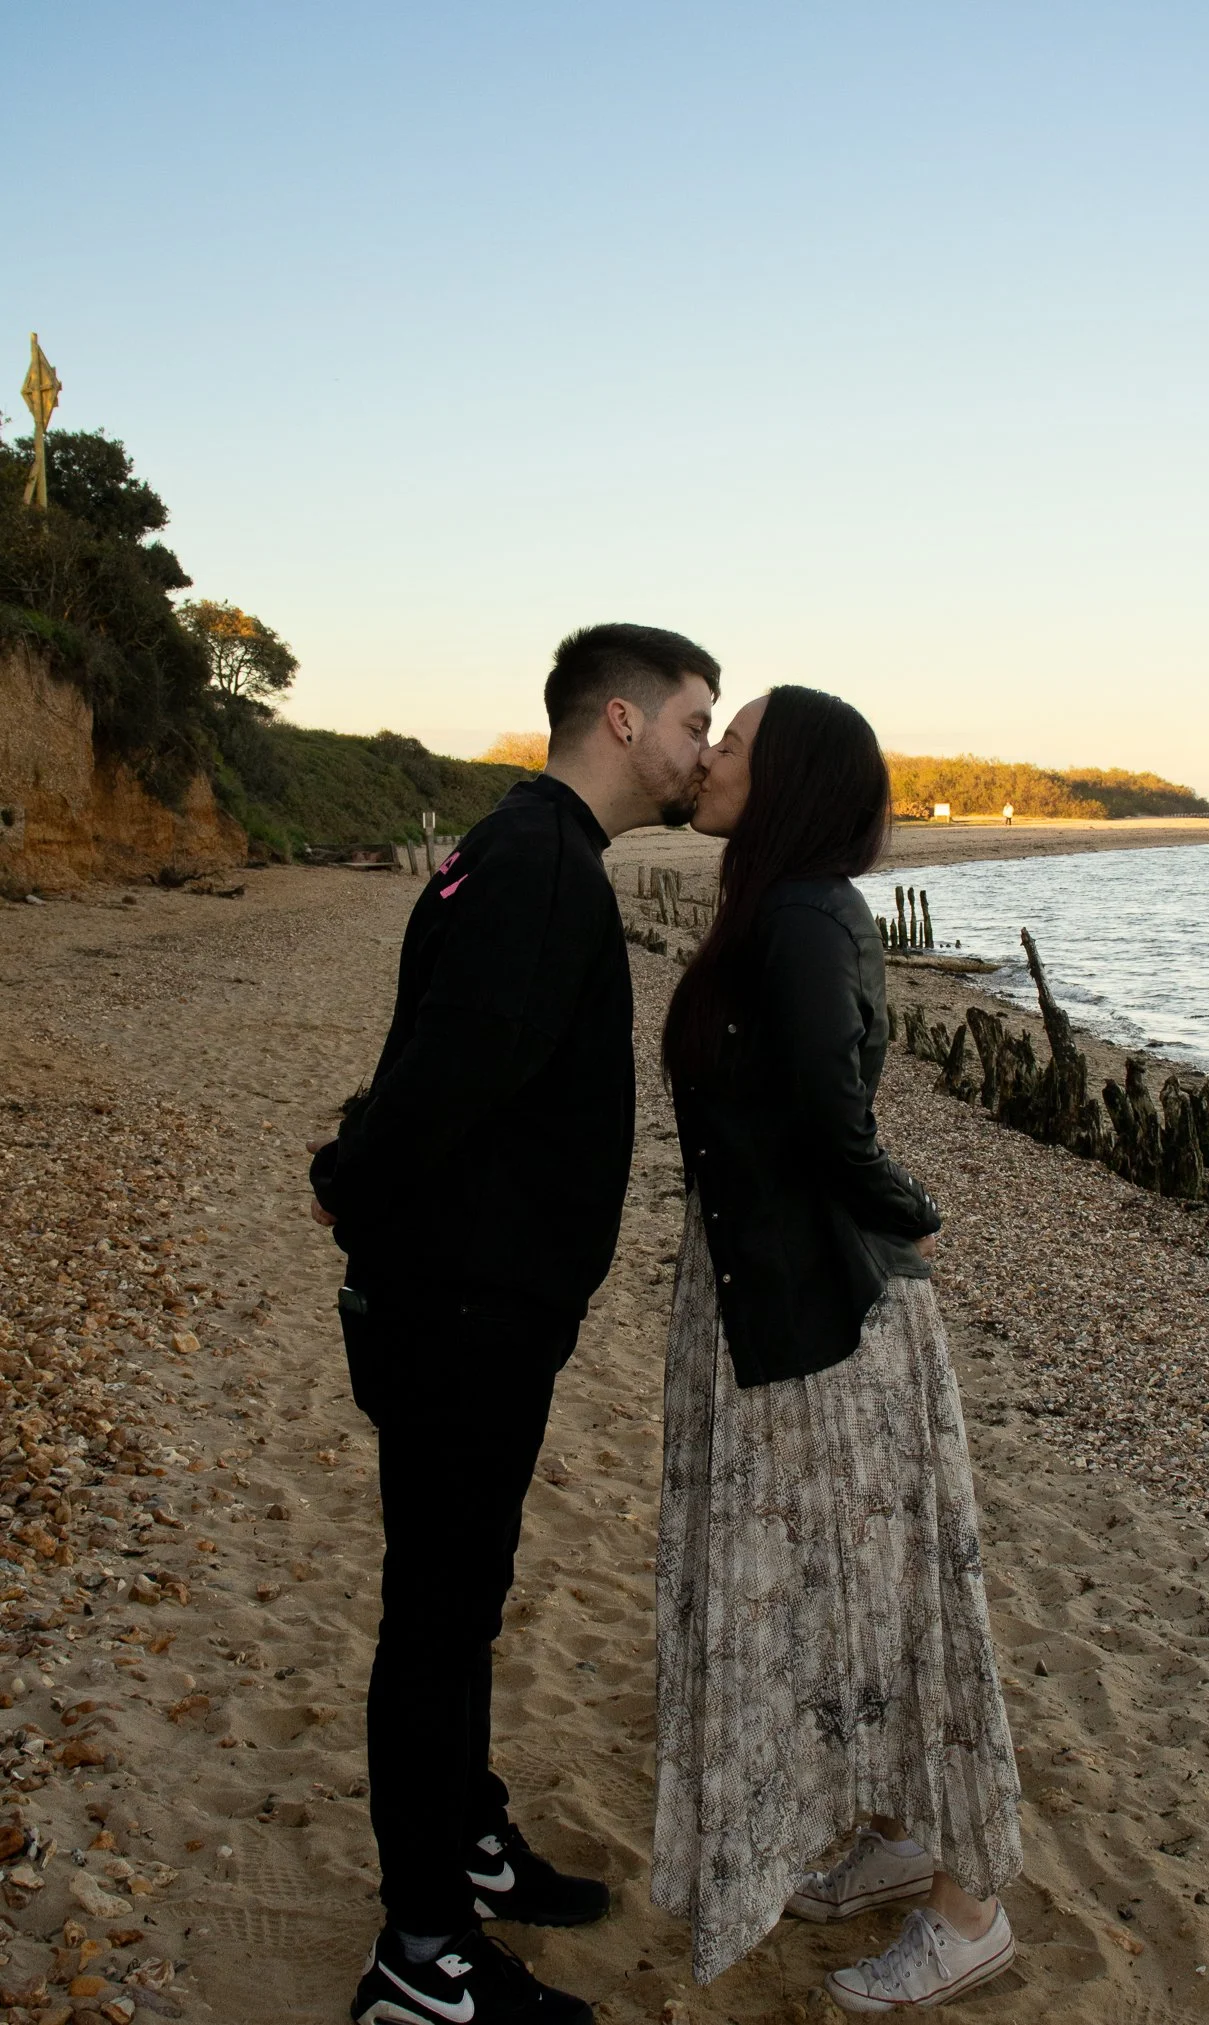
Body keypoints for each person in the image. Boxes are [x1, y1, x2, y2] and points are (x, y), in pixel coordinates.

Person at [307, 624, 720, 2025]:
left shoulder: (513, 844)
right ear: (619, 718)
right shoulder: (542, 867)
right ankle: (420, 1956)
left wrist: (360, 1173)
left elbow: (428, 1051)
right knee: (433, 1616)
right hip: (462, 1311)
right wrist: (348, 1181)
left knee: (459, 1603)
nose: (701, 754)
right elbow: (440, 1080)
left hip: (467, 1300)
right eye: (690, 725)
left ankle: (466, 1841)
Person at [653, 686, 1022, 2011]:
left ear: (789, 780)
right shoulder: (772, 909)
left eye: (733, 743)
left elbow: (826, 1115)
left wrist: (913, 1213)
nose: (708, 758)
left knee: (899, 1603)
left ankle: (967, 1909)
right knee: (841, 1590)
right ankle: (895, 1835)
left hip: (834, 1320)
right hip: (780, 1306)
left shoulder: (804, 915)